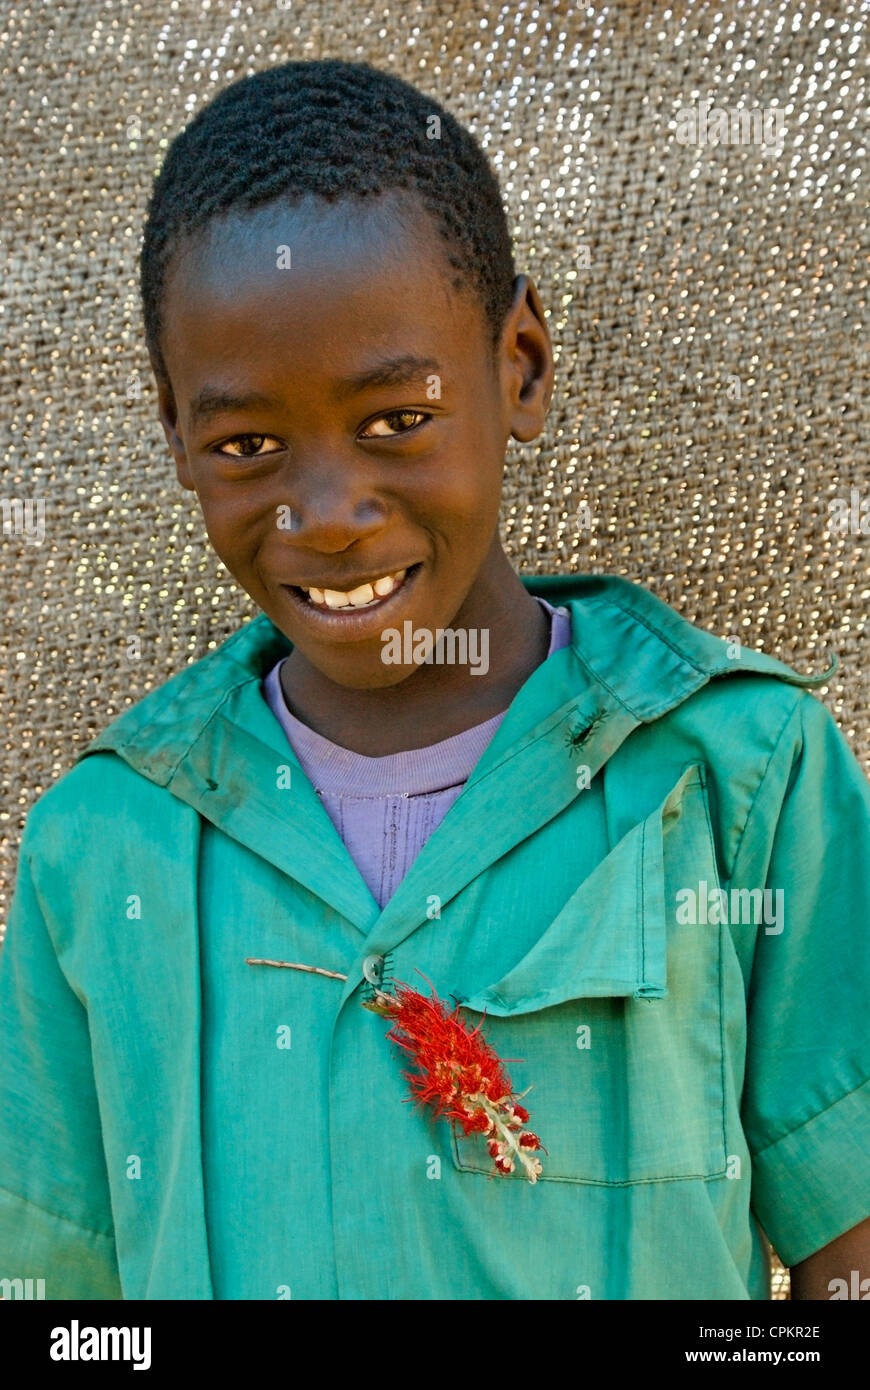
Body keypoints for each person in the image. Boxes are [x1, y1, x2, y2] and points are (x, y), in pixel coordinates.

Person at [0, 59, 868, 1301]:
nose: (328, 512)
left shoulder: (742, 778)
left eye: (394, 420)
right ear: (177, 435)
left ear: (521, 365)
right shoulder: (101, 847)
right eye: (249, 443)